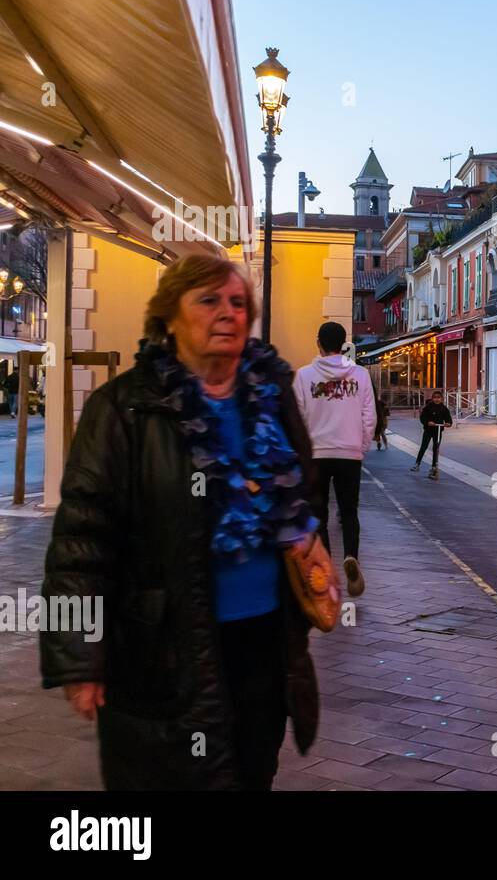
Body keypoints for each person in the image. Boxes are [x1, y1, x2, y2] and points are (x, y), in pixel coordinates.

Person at [40, 254, 321, 790]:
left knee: (250, 771)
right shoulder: (125, 407)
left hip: (265, 643)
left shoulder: (272, 397)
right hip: (163, 650)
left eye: (238, 303)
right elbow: (82, 540)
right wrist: (80, 656)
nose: (228, 314)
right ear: (169, 316)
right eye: (209, 300)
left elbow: (303, 496)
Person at [293, 322, 375, 598]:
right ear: (343, 344)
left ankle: (327, 568)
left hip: (316, 454)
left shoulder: (304, 376)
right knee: (349, 511)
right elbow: (369, 417)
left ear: (318, 343)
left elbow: (298, 418)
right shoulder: (361, 375)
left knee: (318, 515)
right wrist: (360, 447)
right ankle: (351, 556)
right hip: (349, 454)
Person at [411, 389, 453, 478]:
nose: (437, 399)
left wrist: (448, 423)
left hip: (438, 431)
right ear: (432, 398)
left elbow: (448, 419)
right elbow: (422, 418)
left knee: (436, 449)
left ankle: (434, 467)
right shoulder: (428, 407)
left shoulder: (444, 409)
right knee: (423, 447)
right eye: (435, 398)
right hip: (428, 430)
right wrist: (427, 422)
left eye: (438, 398)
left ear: (442, 399)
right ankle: (417, 464)